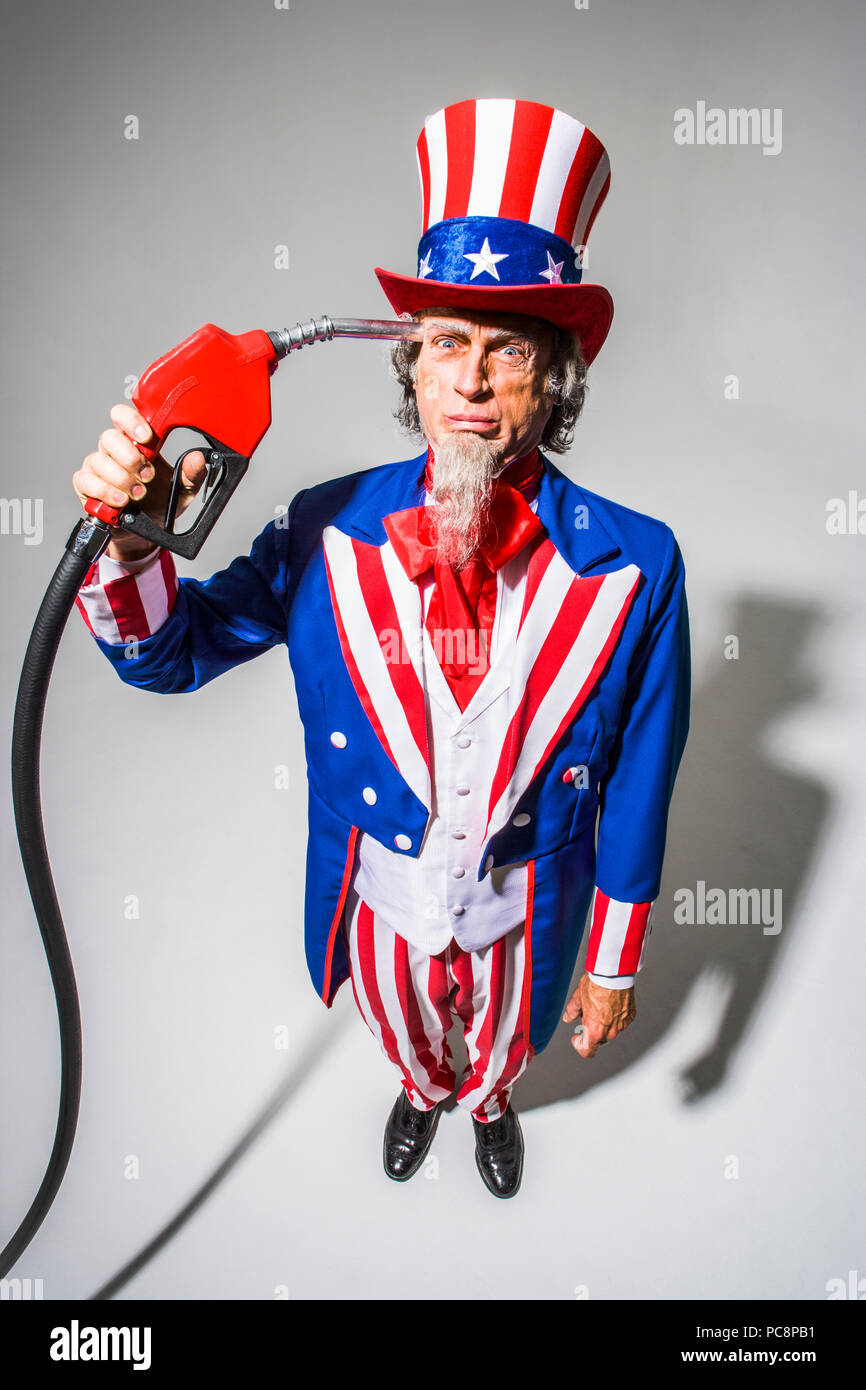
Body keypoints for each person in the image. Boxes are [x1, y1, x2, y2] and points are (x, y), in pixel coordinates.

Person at [72, 99, 691, 1199]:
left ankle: (489, 1104)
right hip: (378, 910)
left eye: (508, 351)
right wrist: (131, 543)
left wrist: (611, 958)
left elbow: (641, 774)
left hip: (528, 916)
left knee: (503, 1046)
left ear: (552, 380)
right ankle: (420, 1089)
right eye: (446, 343)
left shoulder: (639, 566)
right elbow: (168, 654)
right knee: (406, 1035)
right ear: (406, 367)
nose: (468, 380)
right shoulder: (322, 527)